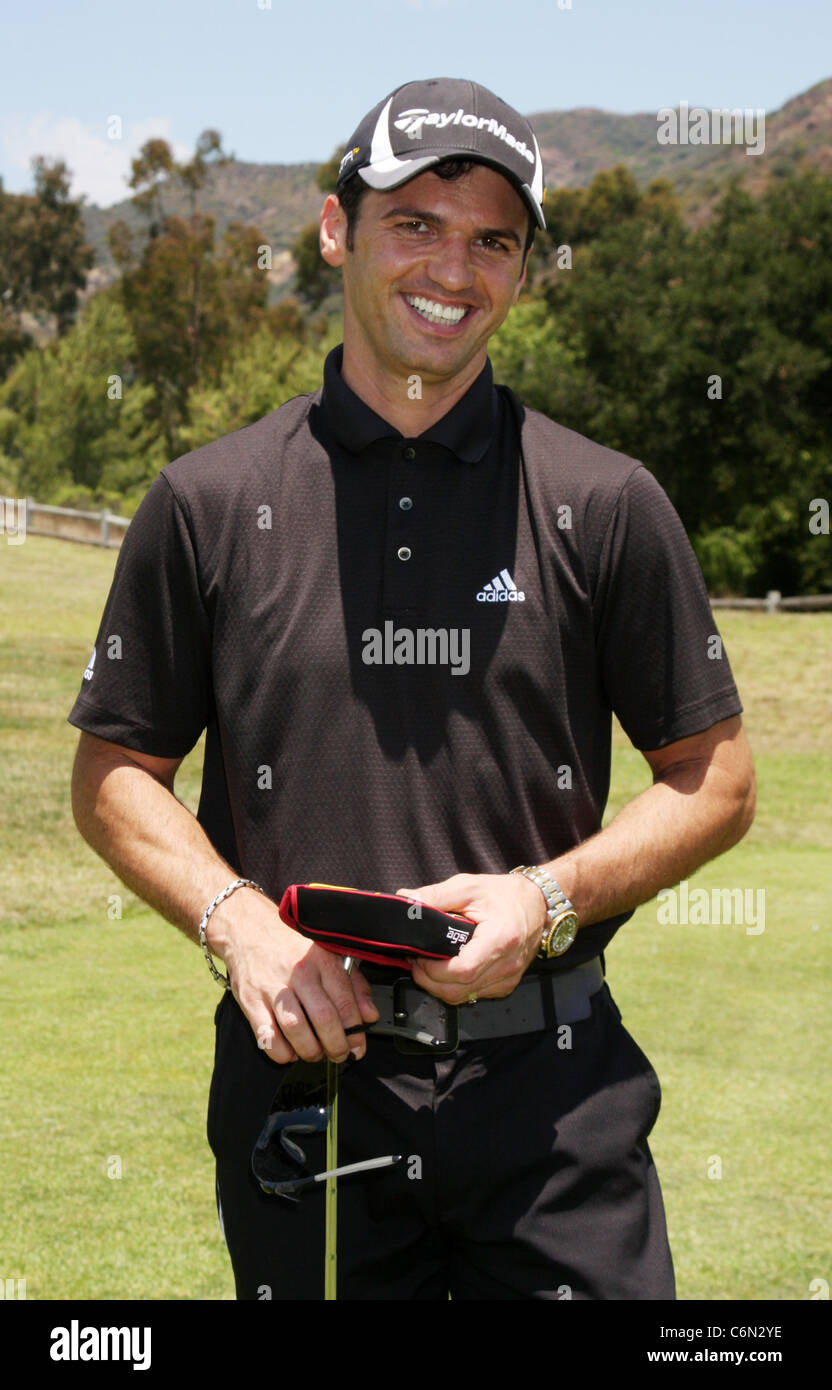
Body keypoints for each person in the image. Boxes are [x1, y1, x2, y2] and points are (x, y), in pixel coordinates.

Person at [69, 77, 755, 1300]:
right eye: (417, 223)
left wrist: (545, 896)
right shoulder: (209, 501)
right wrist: (243, 931)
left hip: (556, 1101)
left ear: (523, 272)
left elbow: (716, 780)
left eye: (495, 238)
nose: (455, 266)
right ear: (337, 231)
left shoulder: (604, 502)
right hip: (308, 1092)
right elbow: (116, 774)